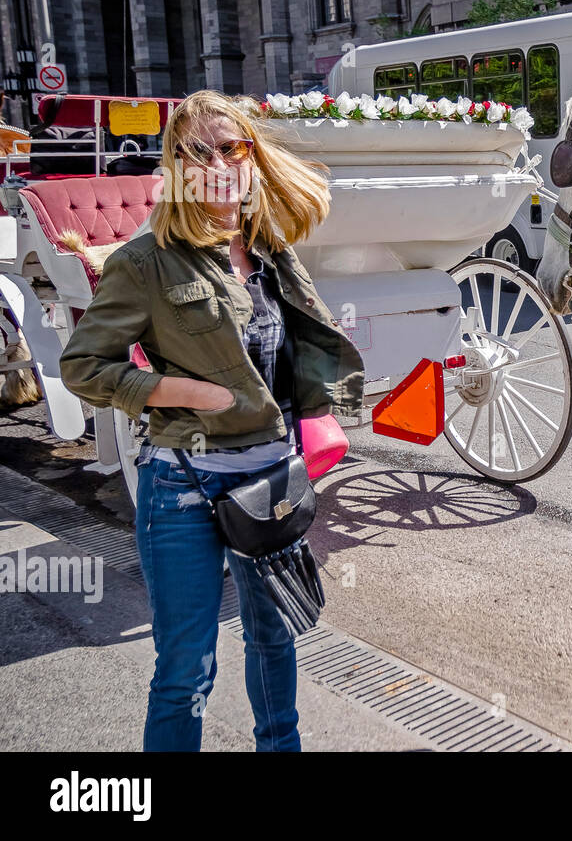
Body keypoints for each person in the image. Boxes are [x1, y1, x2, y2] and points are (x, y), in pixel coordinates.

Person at [59, 90, 365, 751]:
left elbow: (312, 347)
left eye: (231, 147)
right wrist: (178, 391)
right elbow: (83, 365)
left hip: (269, 487)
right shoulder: (147, 261)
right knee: (185, 673)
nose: (218, 162)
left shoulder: (270, 250)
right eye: (199, 151)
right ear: (177, 165)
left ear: (252, 156)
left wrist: (327, 411)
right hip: (182, 489)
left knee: (273, 640)